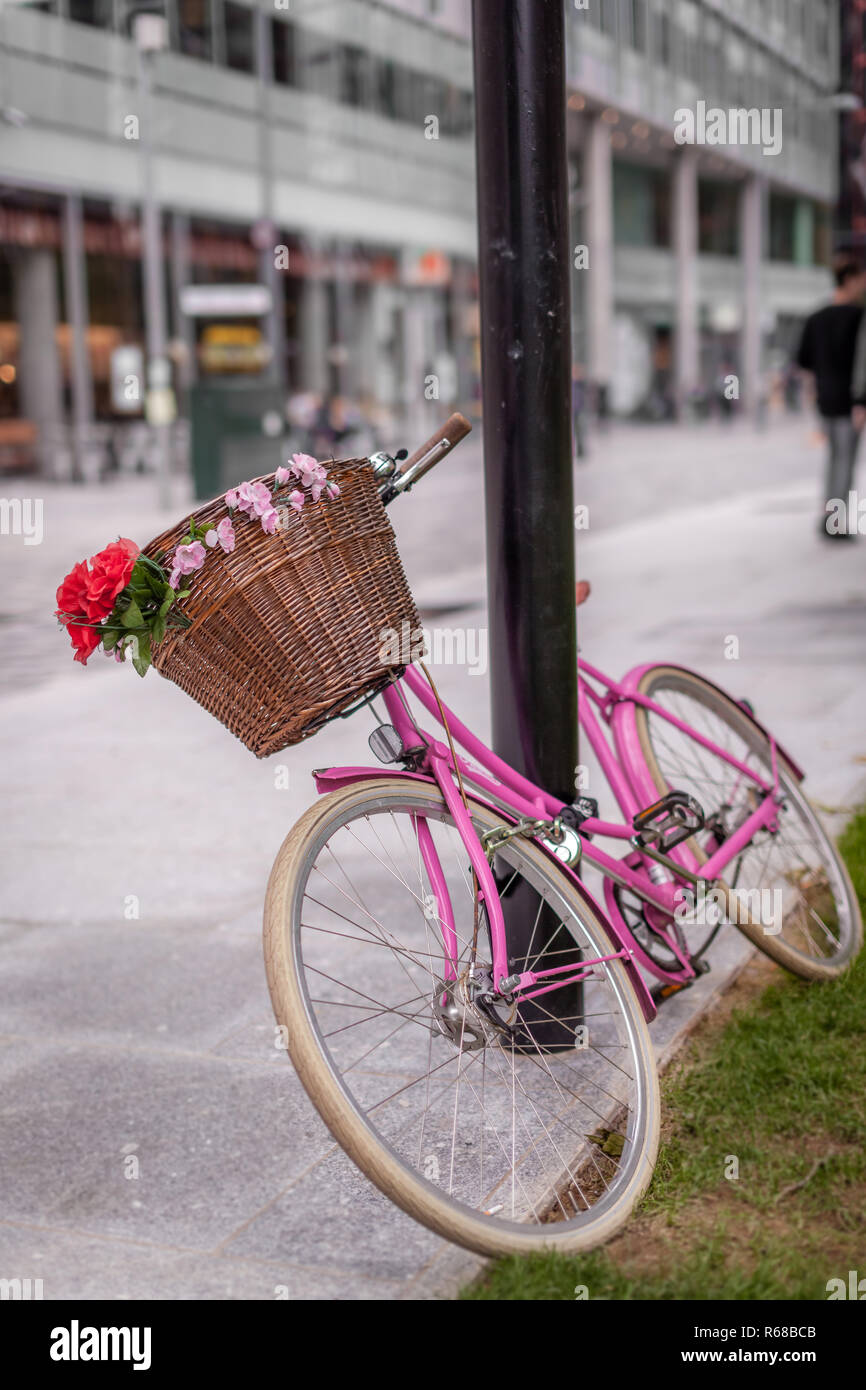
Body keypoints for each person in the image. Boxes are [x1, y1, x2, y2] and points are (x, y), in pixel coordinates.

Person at [796, 254, 866, 540]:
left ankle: (829, 519)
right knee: (845, 462)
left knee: (834, 459)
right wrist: (861, 400)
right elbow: (863, 362)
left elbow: (804, 362)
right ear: (849, 280)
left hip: (825, 402)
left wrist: (818, 390)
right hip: (851, 402)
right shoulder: (859, 317)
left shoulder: (816, 318)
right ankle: (835, 524)